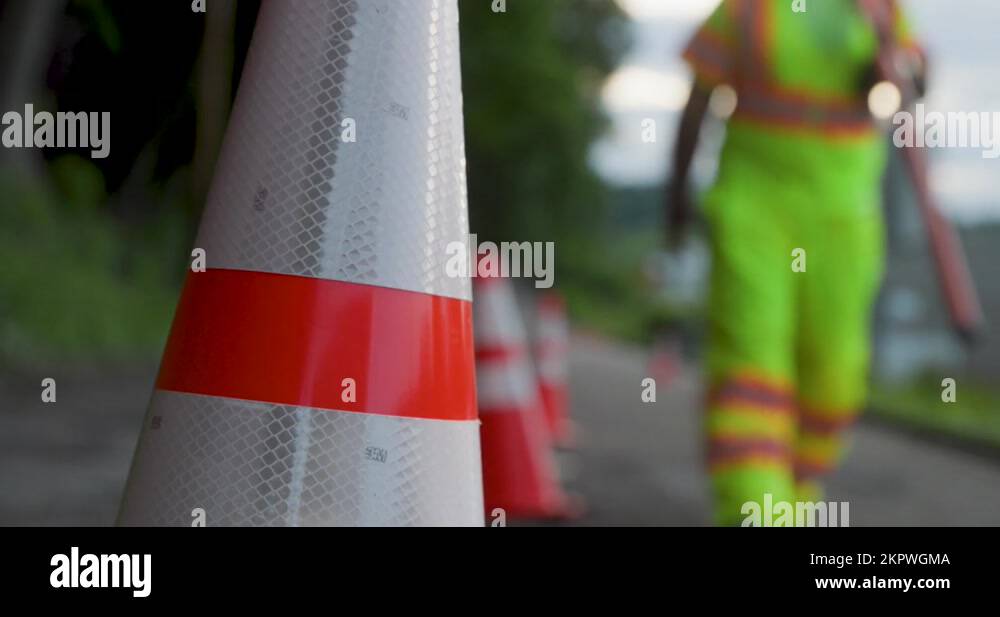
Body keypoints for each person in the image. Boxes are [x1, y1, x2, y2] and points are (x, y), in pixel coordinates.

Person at [667, 0, 924, 525]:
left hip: (843, 216)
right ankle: (759, 512)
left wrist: (896, 63)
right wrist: (677, 195)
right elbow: (697, 102)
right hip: (754, 207)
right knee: (751, 365)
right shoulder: (743, 10)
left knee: (834, 377)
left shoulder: (879, 7)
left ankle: (794, 493)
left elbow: (914, 82)